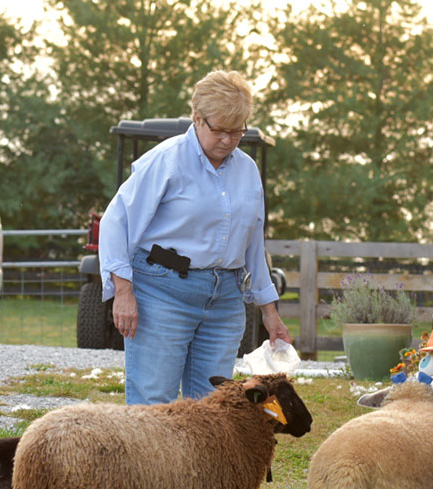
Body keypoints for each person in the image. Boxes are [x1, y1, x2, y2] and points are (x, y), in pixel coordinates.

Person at [98, 70, 293, 406]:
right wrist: (124, 291)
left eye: (237, 131)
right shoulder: (165, 160)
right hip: (162, 292)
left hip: (225, 300)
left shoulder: (248, 170)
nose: (228, 140)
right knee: (153, 403)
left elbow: (253, 245)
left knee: (212, 409)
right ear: (197, 119)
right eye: (219, 130)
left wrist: (269, 313)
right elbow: (116, 223)